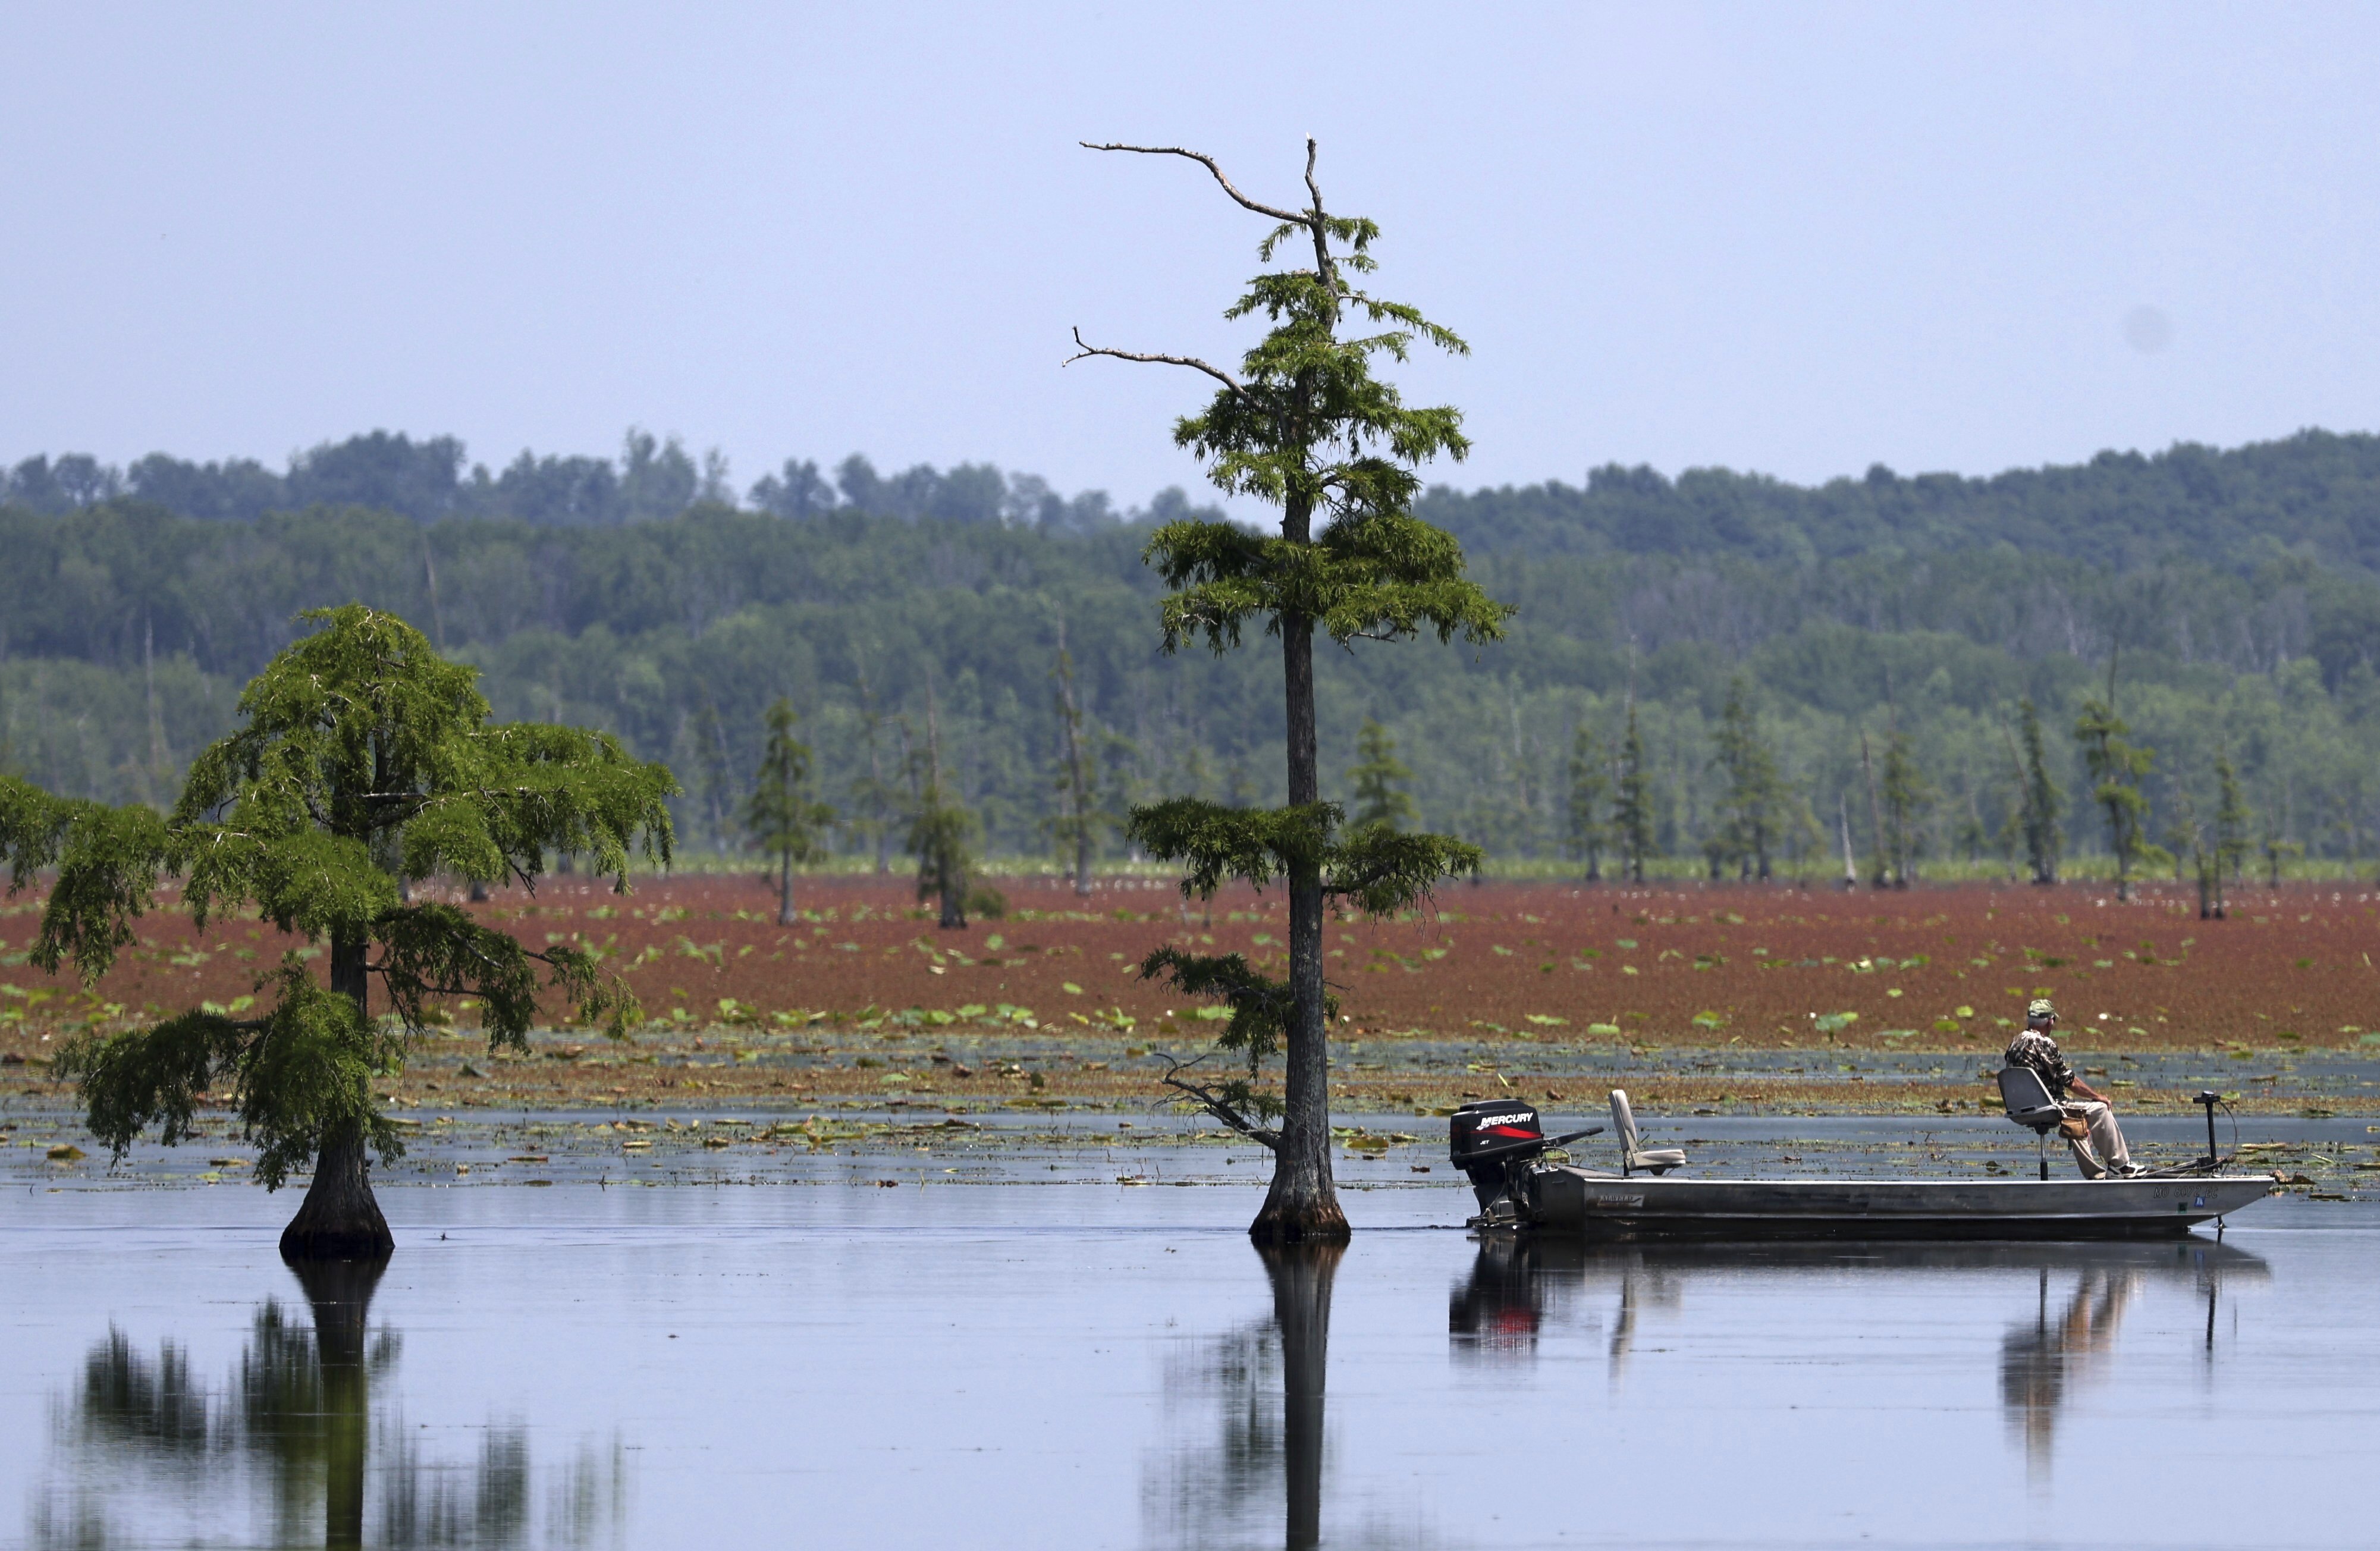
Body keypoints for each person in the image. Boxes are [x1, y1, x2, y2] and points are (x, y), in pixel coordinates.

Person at [2005, 999, 2140, 1178]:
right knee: (2099, 1109)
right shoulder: (2044, 1043)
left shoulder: (2015, 1043)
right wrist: (2098, 1096)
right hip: (2046, 1107)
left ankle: (2096, 1175)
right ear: (2050, 1021)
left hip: (2018, 1110)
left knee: (2076, 1115)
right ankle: (2120, 1165)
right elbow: (2070, 1081)